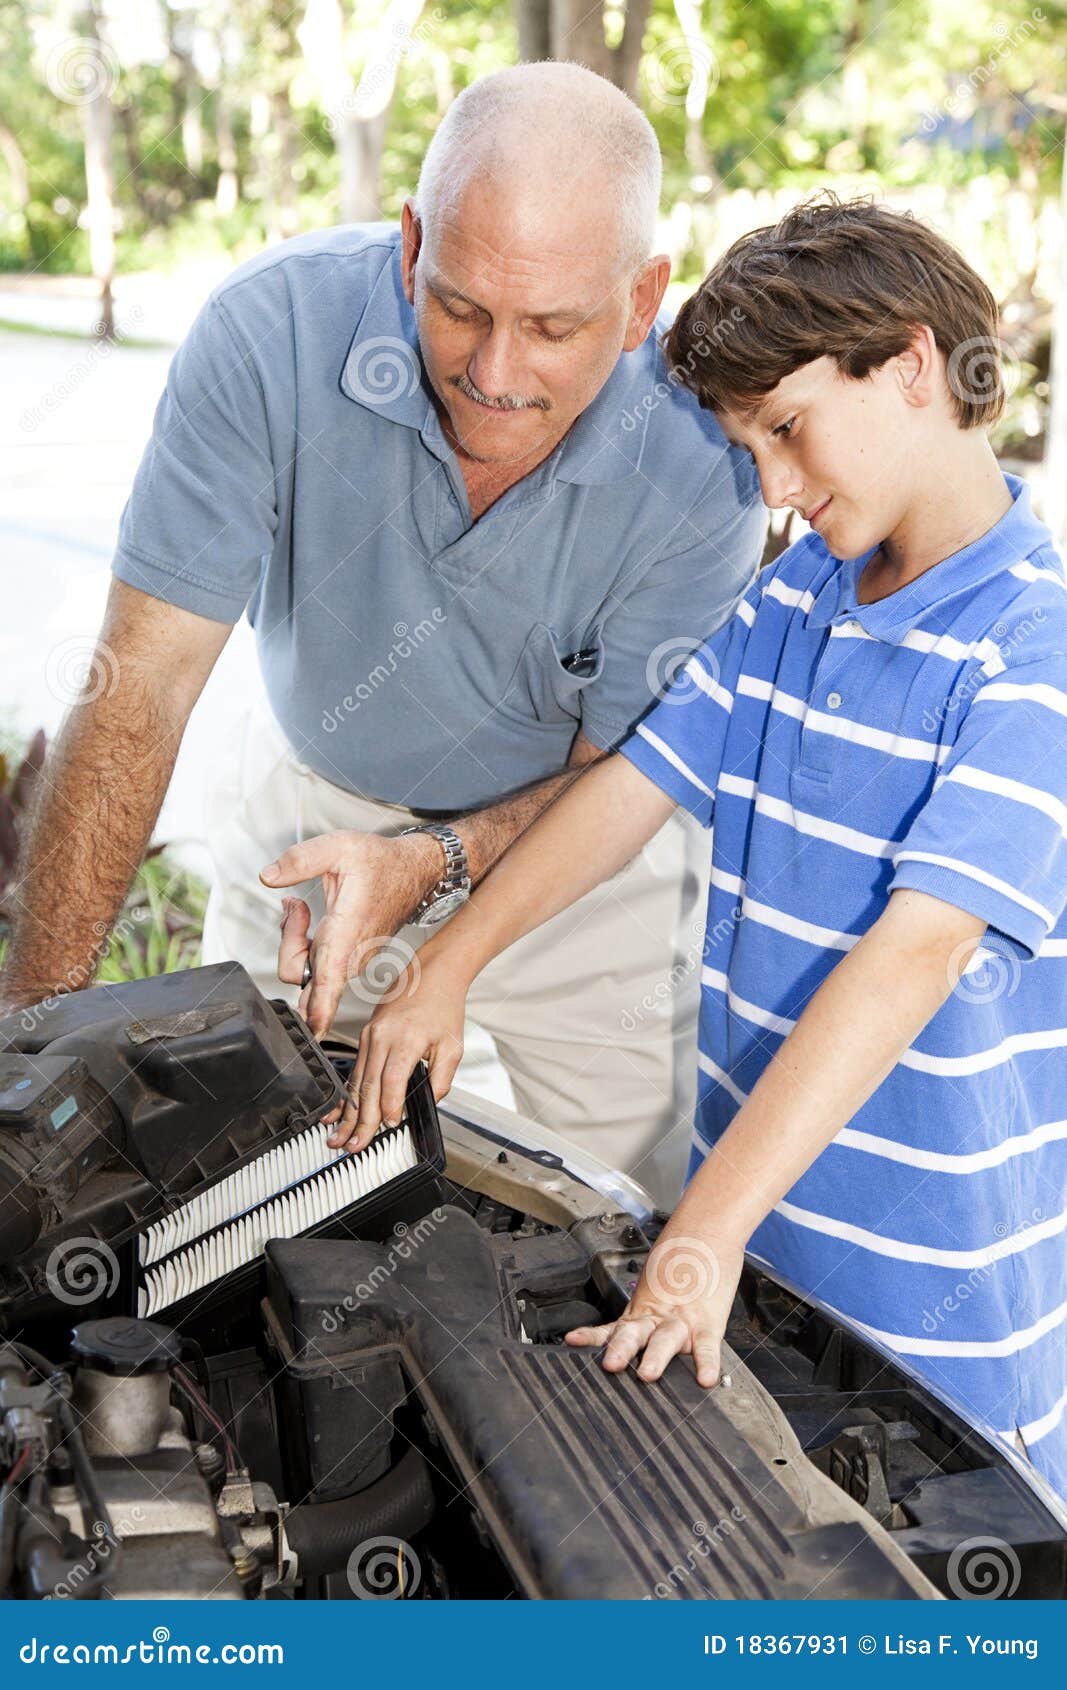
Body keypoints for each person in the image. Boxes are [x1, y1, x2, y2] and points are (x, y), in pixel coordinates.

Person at [334, 197, 1067, 1503]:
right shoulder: (792, 600)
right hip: (754, 1259)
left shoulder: (1030, 656)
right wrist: (447, 963)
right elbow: (625, 789)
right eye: (749, 450)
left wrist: (697, 1233)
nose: (773, 489)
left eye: (786, 432)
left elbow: (912, 955)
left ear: (906, 366)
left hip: (944, 1335)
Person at [0, 62, 764, 1212]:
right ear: (410, 244)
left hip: (585, 857)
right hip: (313, 818)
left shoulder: (705, 463)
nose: (493, 376)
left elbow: (620, 776)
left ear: (642, 296)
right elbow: (138, 690)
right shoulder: (269, 335)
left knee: (614, 1225)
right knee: (236, 1181)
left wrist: (436, 868)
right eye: (459, 305)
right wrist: (31, 1053)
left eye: (554, 328)